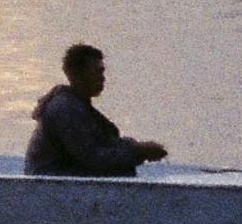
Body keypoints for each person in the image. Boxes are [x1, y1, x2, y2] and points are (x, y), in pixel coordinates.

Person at [26, 42, 168, 177]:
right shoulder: (65, 109)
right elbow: (92, 158)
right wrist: (137, 153)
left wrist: (137, 147)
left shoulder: (80, 105)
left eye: (102, 72)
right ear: (77, 75)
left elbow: (105, 142)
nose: (102, 78)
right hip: (51, 180)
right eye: (97, 72)